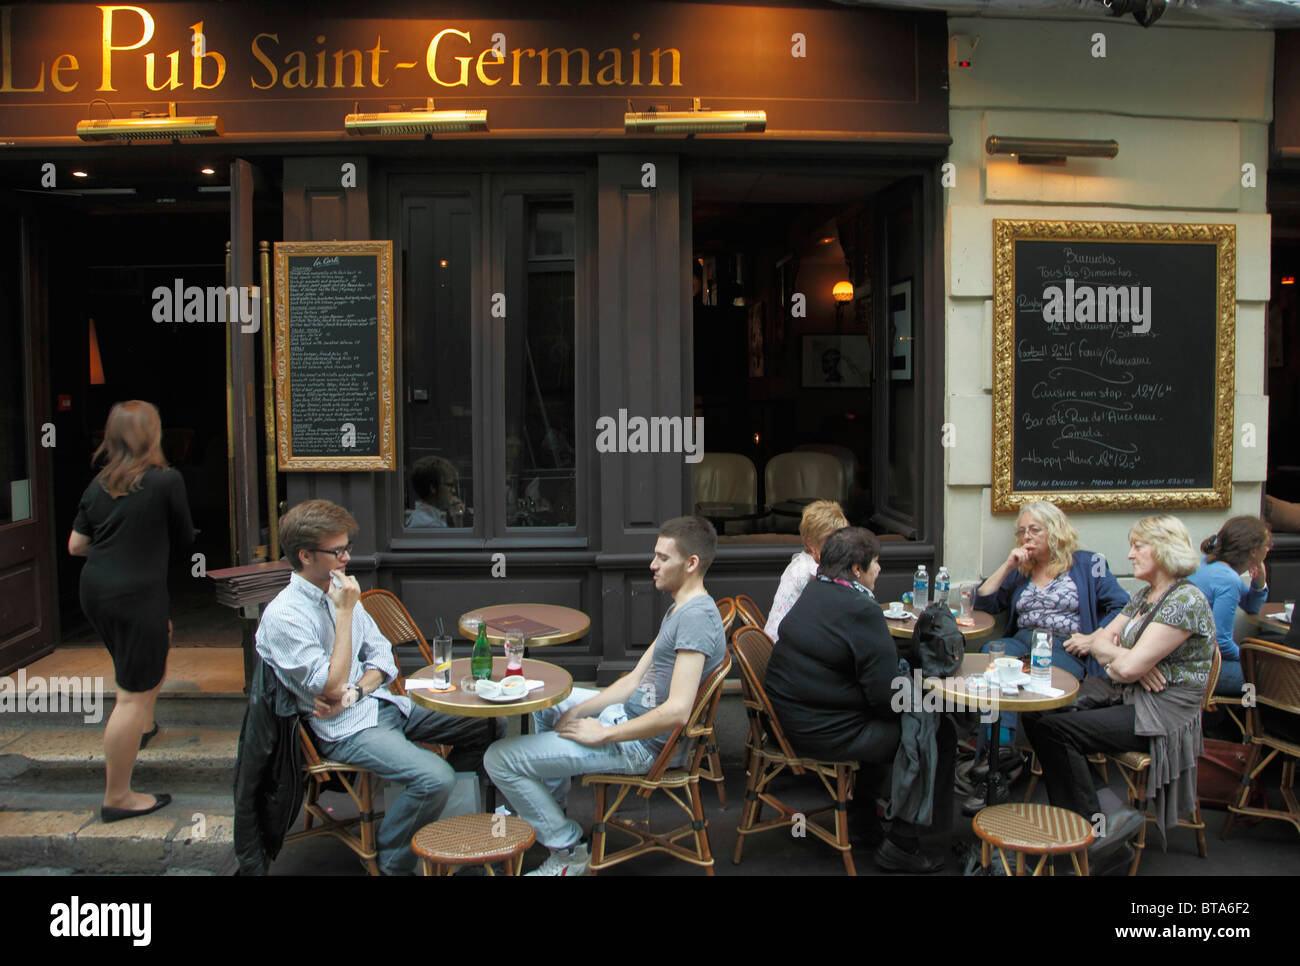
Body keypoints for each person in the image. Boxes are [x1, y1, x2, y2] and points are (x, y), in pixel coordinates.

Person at [256, 499, 499, 875]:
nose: (346, 558)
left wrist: (356, 692)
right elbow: (329, 685)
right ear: (305, 556)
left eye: (346, 548)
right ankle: (394, 859)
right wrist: (343, 616)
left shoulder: (342, 591)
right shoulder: (285, 615)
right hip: (343, 729)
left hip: (381, 705)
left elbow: (383, 660)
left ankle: (433, 819)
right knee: (434, 778)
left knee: (488, 724)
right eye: (337, 551)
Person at [484, 516, 727, 876]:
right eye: (654, 555)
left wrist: (602, 732)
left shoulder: (695, 620)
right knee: (545, 699)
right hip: (625, 717)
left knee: (498, 759)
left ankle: (567, 851)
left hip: (641, 746)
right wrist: (581, 709)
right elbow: (632, 681)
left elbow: (677, 711)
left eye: (663, 558)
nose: (652, 565)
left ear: (691, 564)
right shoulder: (681, 607)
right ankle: (546, 811)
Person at [1023, 515, 1215, 869]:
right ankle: (1102, 816)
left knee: (1056, 730)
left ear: (1162, 550)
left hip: (1161, 711)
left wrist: (1125, 661)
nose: (1130, 555)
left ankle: (1093, 830)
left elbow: (1121, 664)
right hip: (1128, 692)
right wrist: (1129, 660)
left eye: (1138, 547)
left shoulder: (1185, 600)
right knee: (1039, 711)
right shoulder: (1145, 596)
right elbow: (1099, 642)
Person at [765, 527, 952, 874]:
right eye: (876, 562)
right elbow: (884, 698)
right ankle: (903, 842)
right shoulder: (861, 609)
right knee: (935, 729)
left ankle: (864, 818)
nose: (879, 569)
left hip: (793, 719)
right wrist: (918, 696)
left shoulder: (816, 590)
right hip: (821, 730)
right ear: (856, 569)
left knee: (909, 717)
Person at [68, 401, 194, 824]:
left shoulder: (98, 484)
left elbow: (76, 546)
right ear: (153, 434)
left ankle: (144, 726)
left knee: (157, 643)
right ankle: (117, 796)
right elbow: (183, 536)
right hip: (137, 594)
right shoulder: (166, 481)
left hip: (97, 591)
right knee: (130, 694)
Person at [967, 501, 1130, 809]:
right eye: (1021, 532)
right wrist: (1008, 565)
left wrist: (1095, 639)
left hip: (1063, 644)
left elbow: (1122, 605)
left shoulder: (1088, 563)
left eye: (1034, 530)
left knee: (1024, 679)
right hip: (1023, 640)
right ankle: (1000, 758)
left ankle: (993, 774)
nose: (1027, 537)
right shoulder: (1022, 569)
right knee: (992, 658)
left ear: (1054, 530)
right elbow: (982, 603)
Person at [1188, 516, 1270, 698]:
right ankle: (1252, 722)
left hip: (1188, 660)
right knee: (1267, 677)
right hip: (1199, 668)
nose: (1269, 548)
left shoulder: (1206, 563)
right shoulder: (1228, 580)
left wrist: (1259, 582)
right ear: (1254, 552)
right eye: (1267, 544)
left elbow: (1251, 607)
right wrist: (1251, 660)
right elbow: (1221, 644)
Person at [764, 499, 849, 643]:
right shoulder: (810, 571)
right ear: (811, 543)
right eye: (832, 540)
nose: (839, 546)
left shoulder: (802, 563)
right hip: (785, 648)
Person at [406, 455, 464, 527]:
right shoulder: (430, 525)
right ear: (433, 487)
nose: (453, 490)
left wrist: (457, 518)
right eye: (450, 485)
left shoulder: (420, 516)